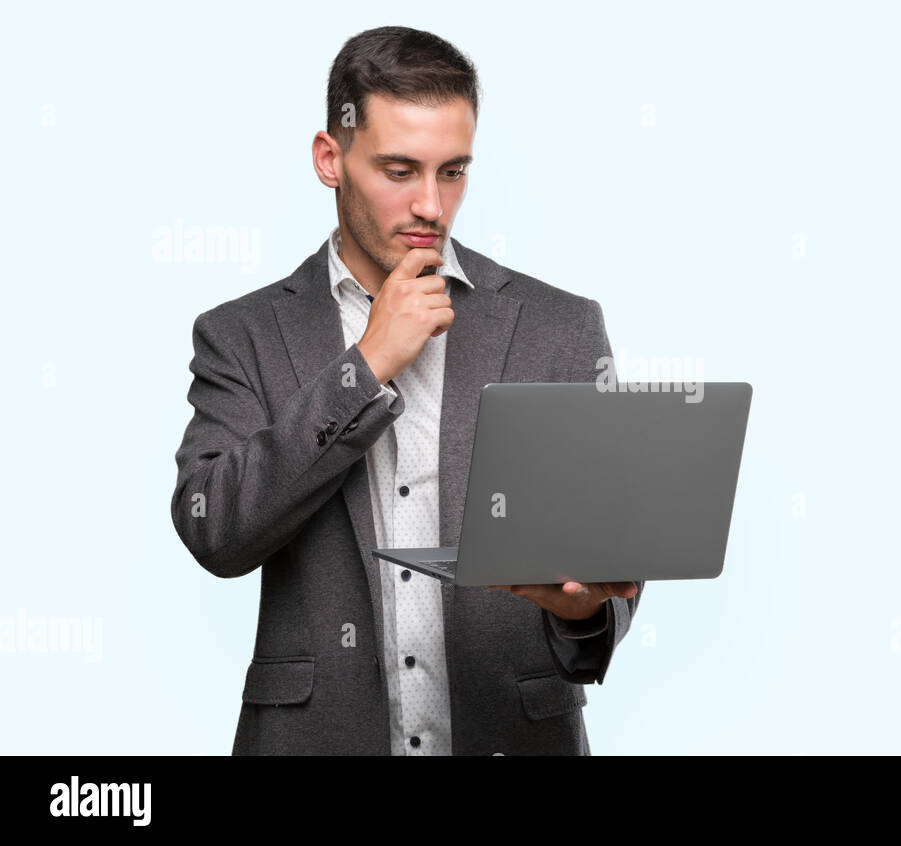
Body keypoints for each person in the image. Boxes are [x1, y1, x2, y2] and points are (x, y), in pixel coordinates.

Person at [170, 25, 642, 755]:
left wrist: (581, 611)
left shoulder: (562, 328)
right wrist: (365, 365)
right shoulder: (242, 334)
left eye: (452, 171)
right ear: (332, 158)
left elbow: (608, 552)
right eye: (399, 171)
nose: (431, 205)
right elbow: (216, 530)